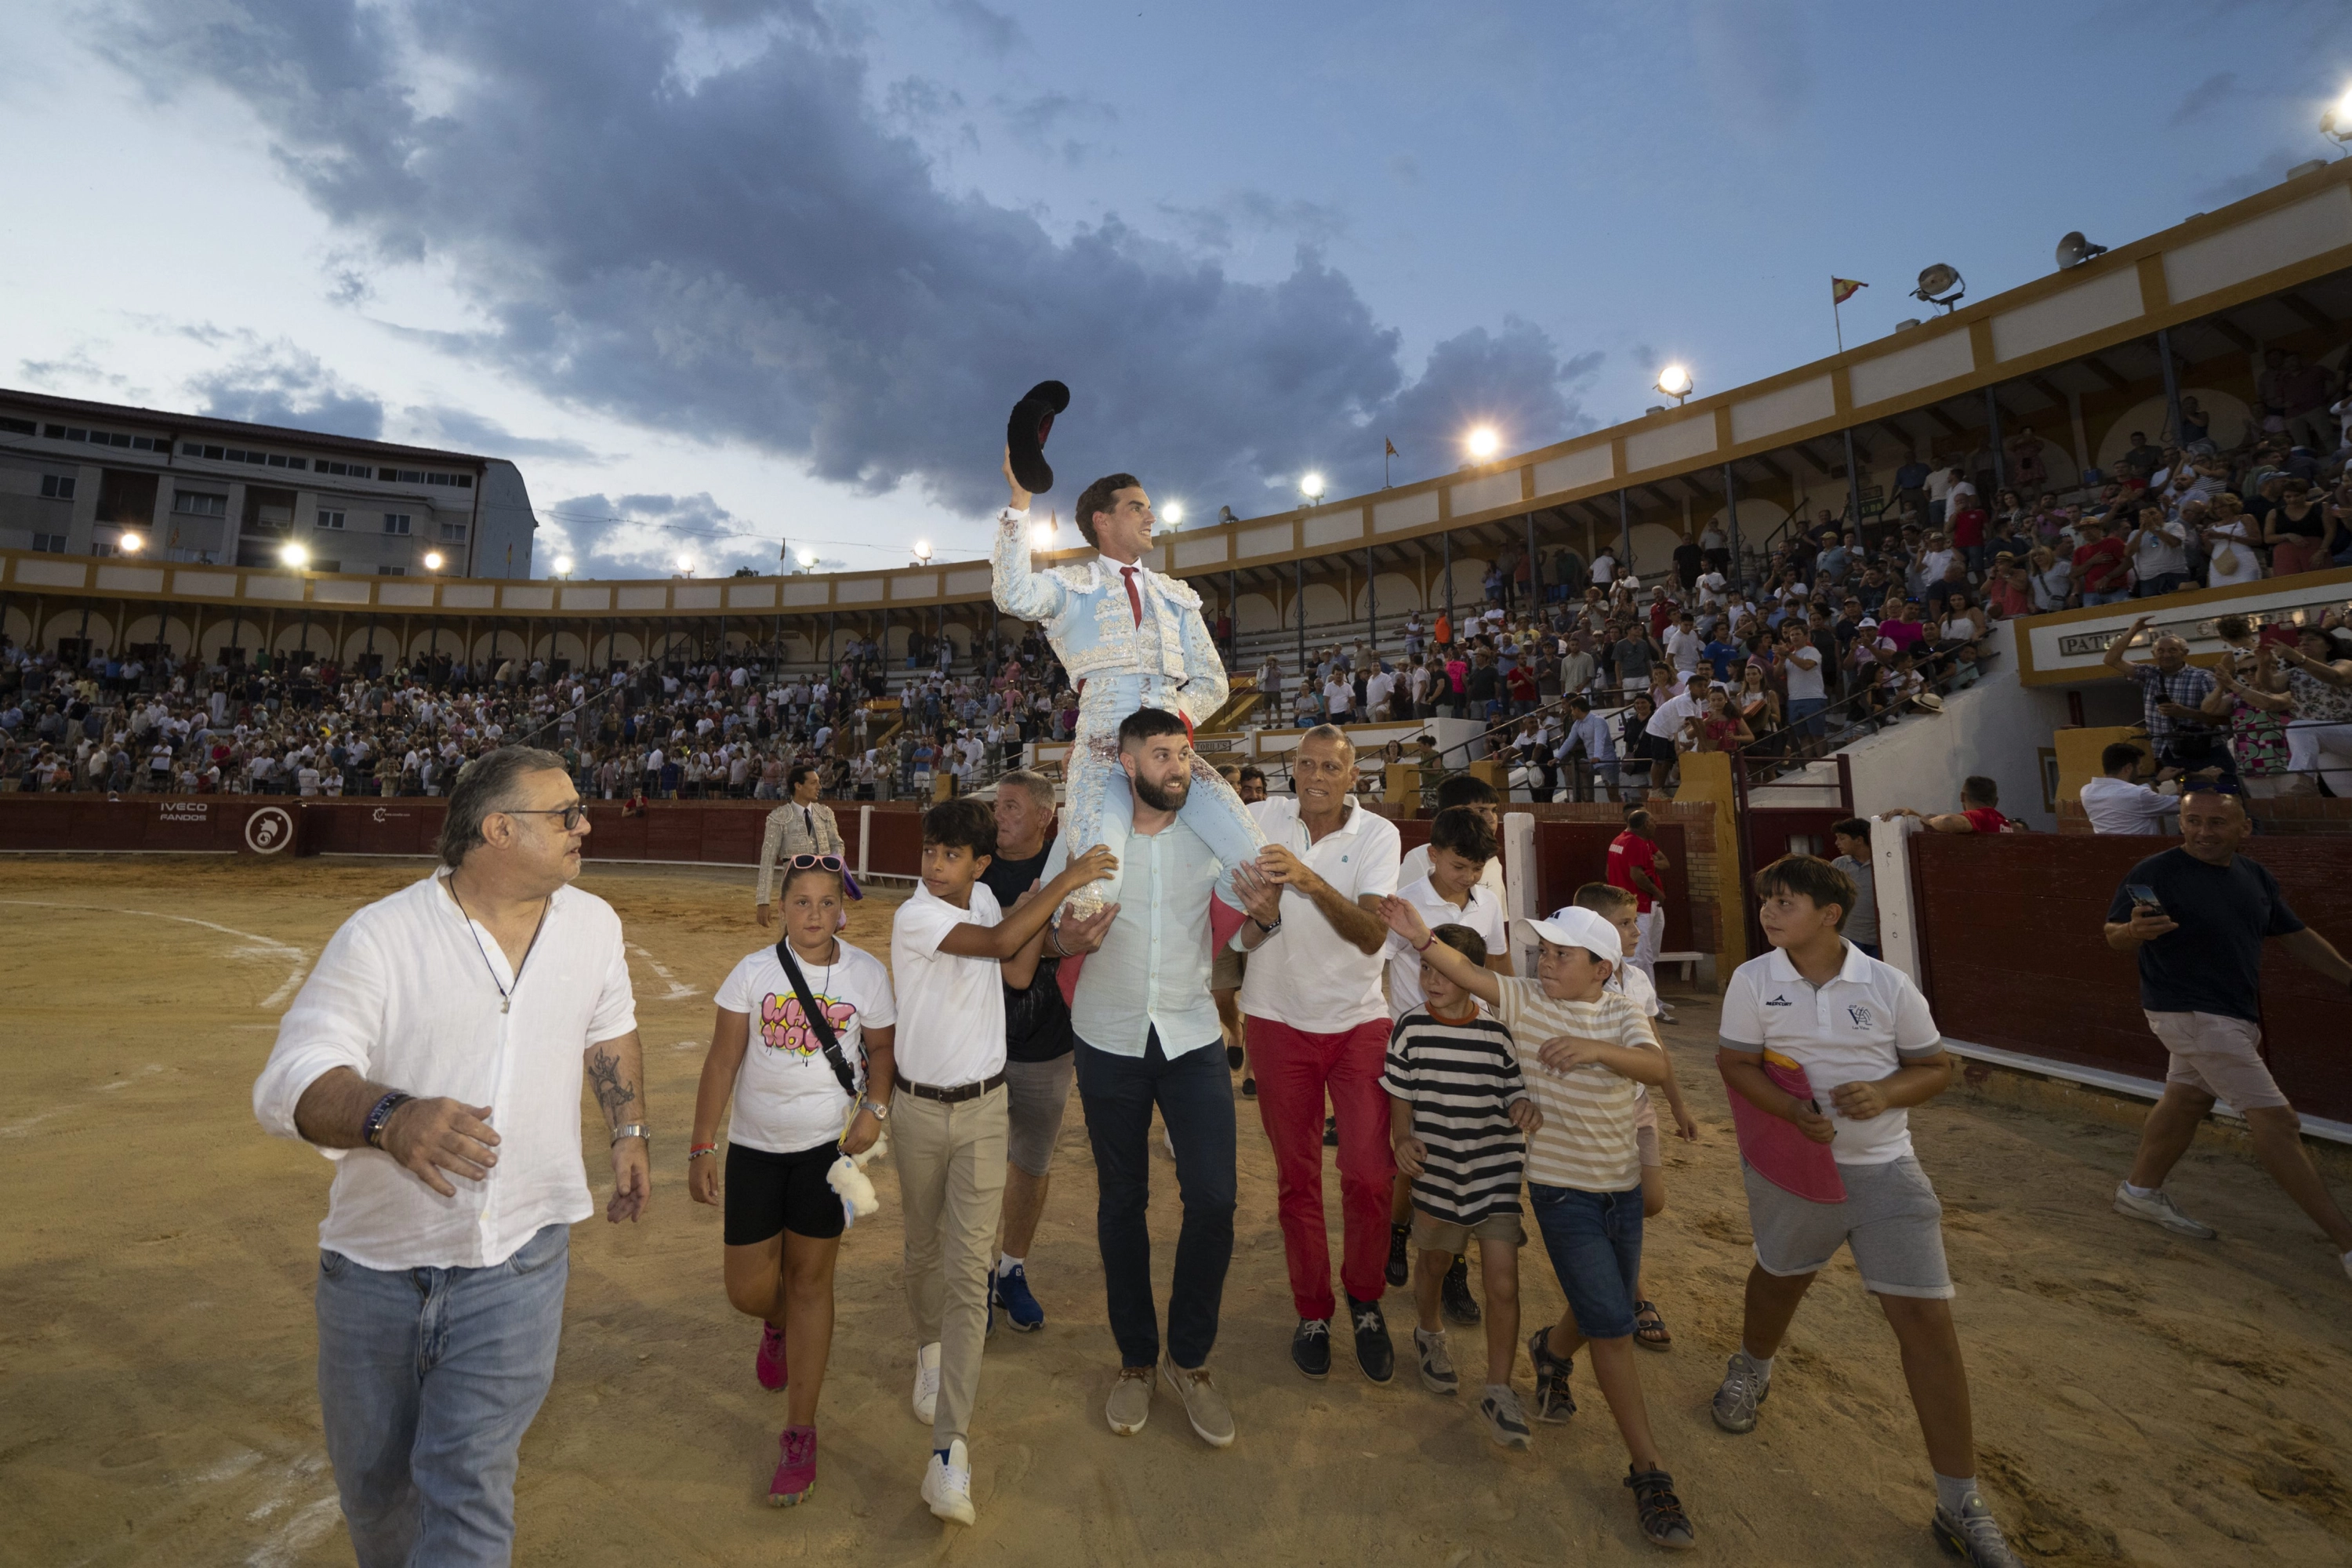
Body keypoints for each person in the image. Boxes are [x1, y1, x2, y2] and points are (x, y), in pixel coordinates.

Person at [250, 747, 648, 1566]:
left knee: (465, 1476)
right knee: (376, 1488)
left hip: (520, 1263)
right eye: (565, 812)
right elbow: (288, 1081)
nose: (586, 823)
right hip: (376, 1268)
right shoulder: (383, 935)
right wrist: (389, 1115)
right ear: (498, 829)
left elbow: (609, 1025)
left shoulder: (595, 923)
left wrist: (629, 1129)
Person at [1712, 855, 2026, 1568]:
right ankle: (1752, 1366)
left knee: (1926, 1317)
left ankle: (1960, 1499)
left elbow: (1934, 1066)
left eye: (1784, 902)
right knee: (1779, 1278)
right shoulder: (1754, 979)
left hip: (1887, 1167)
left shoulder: (1887, 984)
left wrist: (1886, 1095)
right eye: (1766, 900)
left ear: (1829, 914)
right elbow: (1736, 1063)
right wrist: (1792, 1112)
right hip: (1796, 1168)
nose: (1768, 912)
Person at [1379, 898, 1695, 1549]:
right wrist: (1422, 938)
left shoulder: (1623, 1011)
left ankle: (1549, 1354)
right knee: (1612, 1323)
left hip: (1623, 1191)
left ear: (1602, 968)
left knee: (1599, 1303)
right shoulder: (1523, 1001)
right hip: (1562, 1195)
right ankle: (1649, 1470)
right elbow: (1470, 977)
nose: (1545, 962)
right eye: (1542, 951)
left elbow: (1657, 1067)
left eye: (1560, 954)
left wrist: (1593, 1049)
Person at [889, 799, 1116, 1525]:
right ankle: (929, 1350)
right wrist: (1065, 880)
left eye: (950, 855)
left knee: (966, 1269)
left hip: (984, 1108)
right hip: (917, 1109)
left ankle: (949, 1452)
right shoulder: (915, 915)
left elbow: (1016, 968)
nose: (933, 865)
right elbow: (994, 947)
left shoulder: (984, 899)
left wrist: (1061, 940)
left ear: (979, 864)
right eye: (930, 851)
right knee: (923, 1250)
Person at [1065, 709, 1253, 1445]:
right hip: (1106, 1038)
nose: (1178, 768)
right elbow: (1051, 918)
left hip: (1191, 1035)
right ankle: (1138, 1358)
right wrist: (1062, 936)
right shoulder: (1086, 835)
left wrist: (1264, 919)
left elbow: (1249, 930)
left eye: (1183, 754)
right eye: (1162, 755)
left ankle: (1192, 1358)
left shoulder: (1210, 835)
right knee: (1122, 1202)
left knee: (1214, 1199)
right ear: (1128, 763)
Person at [690, 853, 893, 1505]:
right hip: (754, 1146)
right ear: (782, 907)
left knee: (812, 1283)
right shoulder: (752, 973)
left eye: (826, 902)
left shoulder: (866, 972)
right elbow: (723, 1061)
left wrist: (876, 1108)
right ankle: (774, 1323)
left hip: (825, 1152)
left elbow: (884, 1052)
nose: (814, 915)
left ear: (842, 907)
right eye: (800, 902)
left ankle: (799, 1433)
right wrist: (702, 1143)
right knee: (749, 1290)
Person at [991, 456, 1261, 916]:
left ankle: (1209, 946)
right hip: (1100, 752)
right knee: (1096, 894)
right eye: (1138, 507)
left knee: (1256, 866)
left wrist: (1168, 725)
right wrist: (1020, 503)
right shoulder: (1071, 586)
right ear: (1103, 520)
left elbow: (1214, 681)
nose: (1151, 517)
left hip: (1172, 753)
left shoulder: (1177, 596)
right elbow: (1011, 594)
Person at [2103, 789, 2352, 1281]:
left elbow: (2295, 934)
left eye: (2217, 823)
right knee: (2277, 1123)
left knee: (2188, 1100)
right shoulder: (2155, 872)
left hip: (2227, 1013)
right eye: (2192, 820)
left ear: (2244, 828)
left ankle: (2140, 1193)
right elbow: (2113, 934)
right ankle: (2349, 1246)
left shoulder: (2254, 876)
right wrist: (2133, 933)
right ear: (2179, 822)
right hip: (2191, 1012)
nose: (2202, 832)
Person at [1238, 725, 1404, 1384]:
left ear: (1351, 775)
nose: (1316, 777)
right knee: (1296, 1177)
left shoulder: (1379, 835)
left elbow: (1371, 935)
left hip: (1359, 1020)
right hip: (1276, 1019)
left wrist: (1307, 881)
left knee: (1370, 1175)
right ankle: (1313, 1309)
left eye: (1330, 767)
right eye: (1306, 764)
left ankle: (1364, 1298)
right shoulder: (1260, 817)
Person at [1385, 922, 1541, 1440]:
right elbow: (1400, 1099)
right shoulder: (1409, 1028)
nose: (1430, 978)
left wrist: (1521, 1105)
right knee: (1433, 1263)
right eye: (1424, 967)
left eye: (1442, 969)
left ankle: (1498, 1390)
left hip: (1495, 1176)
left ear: (1470, 976)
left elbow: (1516, 1093)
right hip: (1438, 1175)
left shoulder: (1499, 1036)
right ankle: (1429, 1333)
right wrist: (1402, 1140)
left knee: (1502, 1281)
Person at [1559, 882, 1698, 1356]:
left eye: (1634, 921)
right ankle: (1633, 1293)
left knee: (1651, 1200)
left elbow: (1654, 1048)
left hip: (1637, 1104)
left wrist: (1676, 1104)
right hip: (1592, 1109)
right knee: (1615, 1205)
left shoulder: (1637, 982)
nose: (1637, 931)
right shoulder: (1566, 978)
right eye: (1625, 923)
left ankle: (1610, 1271)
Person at [1379, 807, 1513, 1299]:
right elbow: (1381, 964)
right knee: (1410, 1146)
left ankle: (1454, 1259)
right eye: (1459, 866)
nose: (1469, 877)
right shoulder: (1404, 903)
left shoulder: (1488, 898)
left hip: (1471, 1040)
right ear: (1432, 856)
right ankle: (1397, 1230)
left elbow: (1496, 962)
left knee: (1464, 1152)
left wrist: (1507, 1019)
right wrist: (1390, 1033)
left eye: (1477, 868)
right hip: (1413, 1044)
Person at [975, 771, 1083, 1332]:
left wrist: (1030, 935)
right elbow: (980, 949)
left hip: (1047, 1043)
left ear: (1045, 817)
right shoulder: (973, 867)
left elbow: (1085, 934)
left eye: (1012, 807)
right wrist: (1047, 938)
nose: (999, 816)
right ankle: (973, 1277)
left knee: (1031, 1163)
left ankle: (1011, 1269)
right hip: (977, 1042)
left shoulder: (1068, 869)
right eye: (997, 806)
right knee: (972, 1162)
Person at [2102, 617, 2223, 778]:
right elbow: (2111, 660)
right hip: (2163, 752)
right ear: (2154, 654)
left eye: (2173, 650)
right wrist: (2132, 631)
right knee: (2174, 799)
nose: (2166, 655)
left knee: (2217, 795)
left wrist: (2186, 713)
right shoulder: (2150, 674)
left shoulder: (2203, 677)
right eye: (2161, 651)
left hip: (2202, 751)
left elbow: (2222, 718)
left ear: (2184, 653)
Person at [756, 763, 846, 925]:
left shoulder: (825, 813)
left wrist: (833, 863)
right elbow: (767, 861)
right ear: (798, 786)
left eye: (818, 782)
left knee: (824, 936)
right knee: (793, 934)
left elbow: (837, 844)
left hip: (823, 885)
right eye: (813, 783)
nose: (819, 786)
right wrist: (763, 901)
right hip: (794, 888)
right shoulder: (778, 817)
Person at [1606, 809, 1674, 1020]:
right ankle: (1647, 1007)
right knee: (1641, 957)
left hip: (1630, 905)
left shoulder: (1620, 839)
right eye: (1653, 821)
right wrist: (1657, 892)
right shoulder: (1636, 843)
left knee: (1646, 955)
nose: (1656, 824)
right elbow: (1637, 875)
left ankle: (1653, 999)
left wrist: (1650, 864)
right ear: (1645, 825)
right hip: (1640, 906)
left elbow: (1609, 872)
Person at [2078, 742, 2178, 834]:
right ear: (2128, 768)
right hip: (2145, 851)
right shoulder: (2138, 795)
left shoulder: (2086, 791)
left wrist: (2157, 781)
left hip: (2110, 849)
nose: (2140, 773)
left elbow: (2122, 794)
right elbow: (2182, 805)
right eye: (2140, 768)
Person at [1883, 776, 2014, 834]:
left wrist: (1930, 819)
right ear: (1996, 801)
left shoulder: (1981, 816)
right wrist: (1913, 813)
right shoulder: (2003, 822)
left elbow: (1948, 821)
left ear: (1962, 797)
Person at [1829, 818, 1880, 958]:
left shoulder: (1883, 862)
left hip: (1880, 937)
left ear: (1858, 840)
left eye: (1842, 838)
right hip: (1849, 936)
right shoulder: (1839, 865)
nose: (1837, 843)